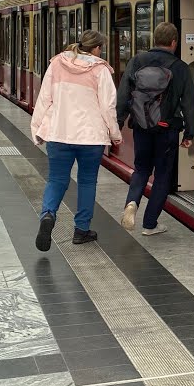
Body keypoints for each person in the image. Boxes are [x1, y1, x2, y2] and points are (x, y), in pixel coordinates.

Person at [31, 30, 123, 250]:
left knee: (56, 180)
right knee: (87, 182)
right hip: (90, 138)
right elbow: (108, 107)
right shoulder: (100, 70)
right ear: (97, 48)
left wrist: (37, 129)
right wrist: (115, 134)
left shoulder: (56, 64)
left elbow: (44, 99)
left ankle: (48, 215)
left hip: (59, 134)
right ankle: (81, 230)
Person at [116, 22, 194, 236]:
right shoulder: (179, 67)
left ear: (154, 40)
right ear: (174, 42)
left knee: (141, 168)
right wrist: (190, 133)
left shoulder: (136, 61)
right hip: (166, 129)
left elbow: (124, 95)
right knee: (162, 176)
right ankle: (150, 224)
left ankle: (132, 202)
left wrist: (118, 121)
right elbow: (189, 102)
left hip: (141, 127)